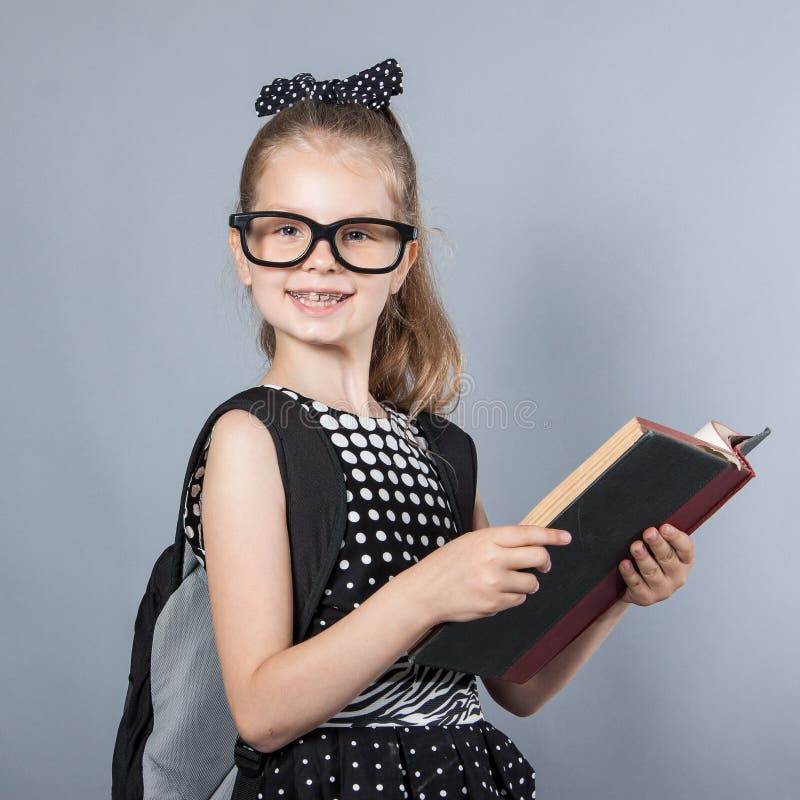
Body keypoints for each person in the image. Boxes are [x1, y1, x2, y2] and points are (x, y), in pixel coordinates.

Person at [184, 57, 697, 800]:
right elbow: (262, 712)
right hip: (337, 784)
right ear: (243, 252)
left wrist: (617, 586)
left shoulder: (445, 452)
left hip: (459, 778)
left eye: (358, 234)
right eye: (286, 228)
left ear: (403, 260)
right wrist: (428, 591)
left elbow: (515, 685)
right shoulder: (253, 437)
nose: (319, 261)